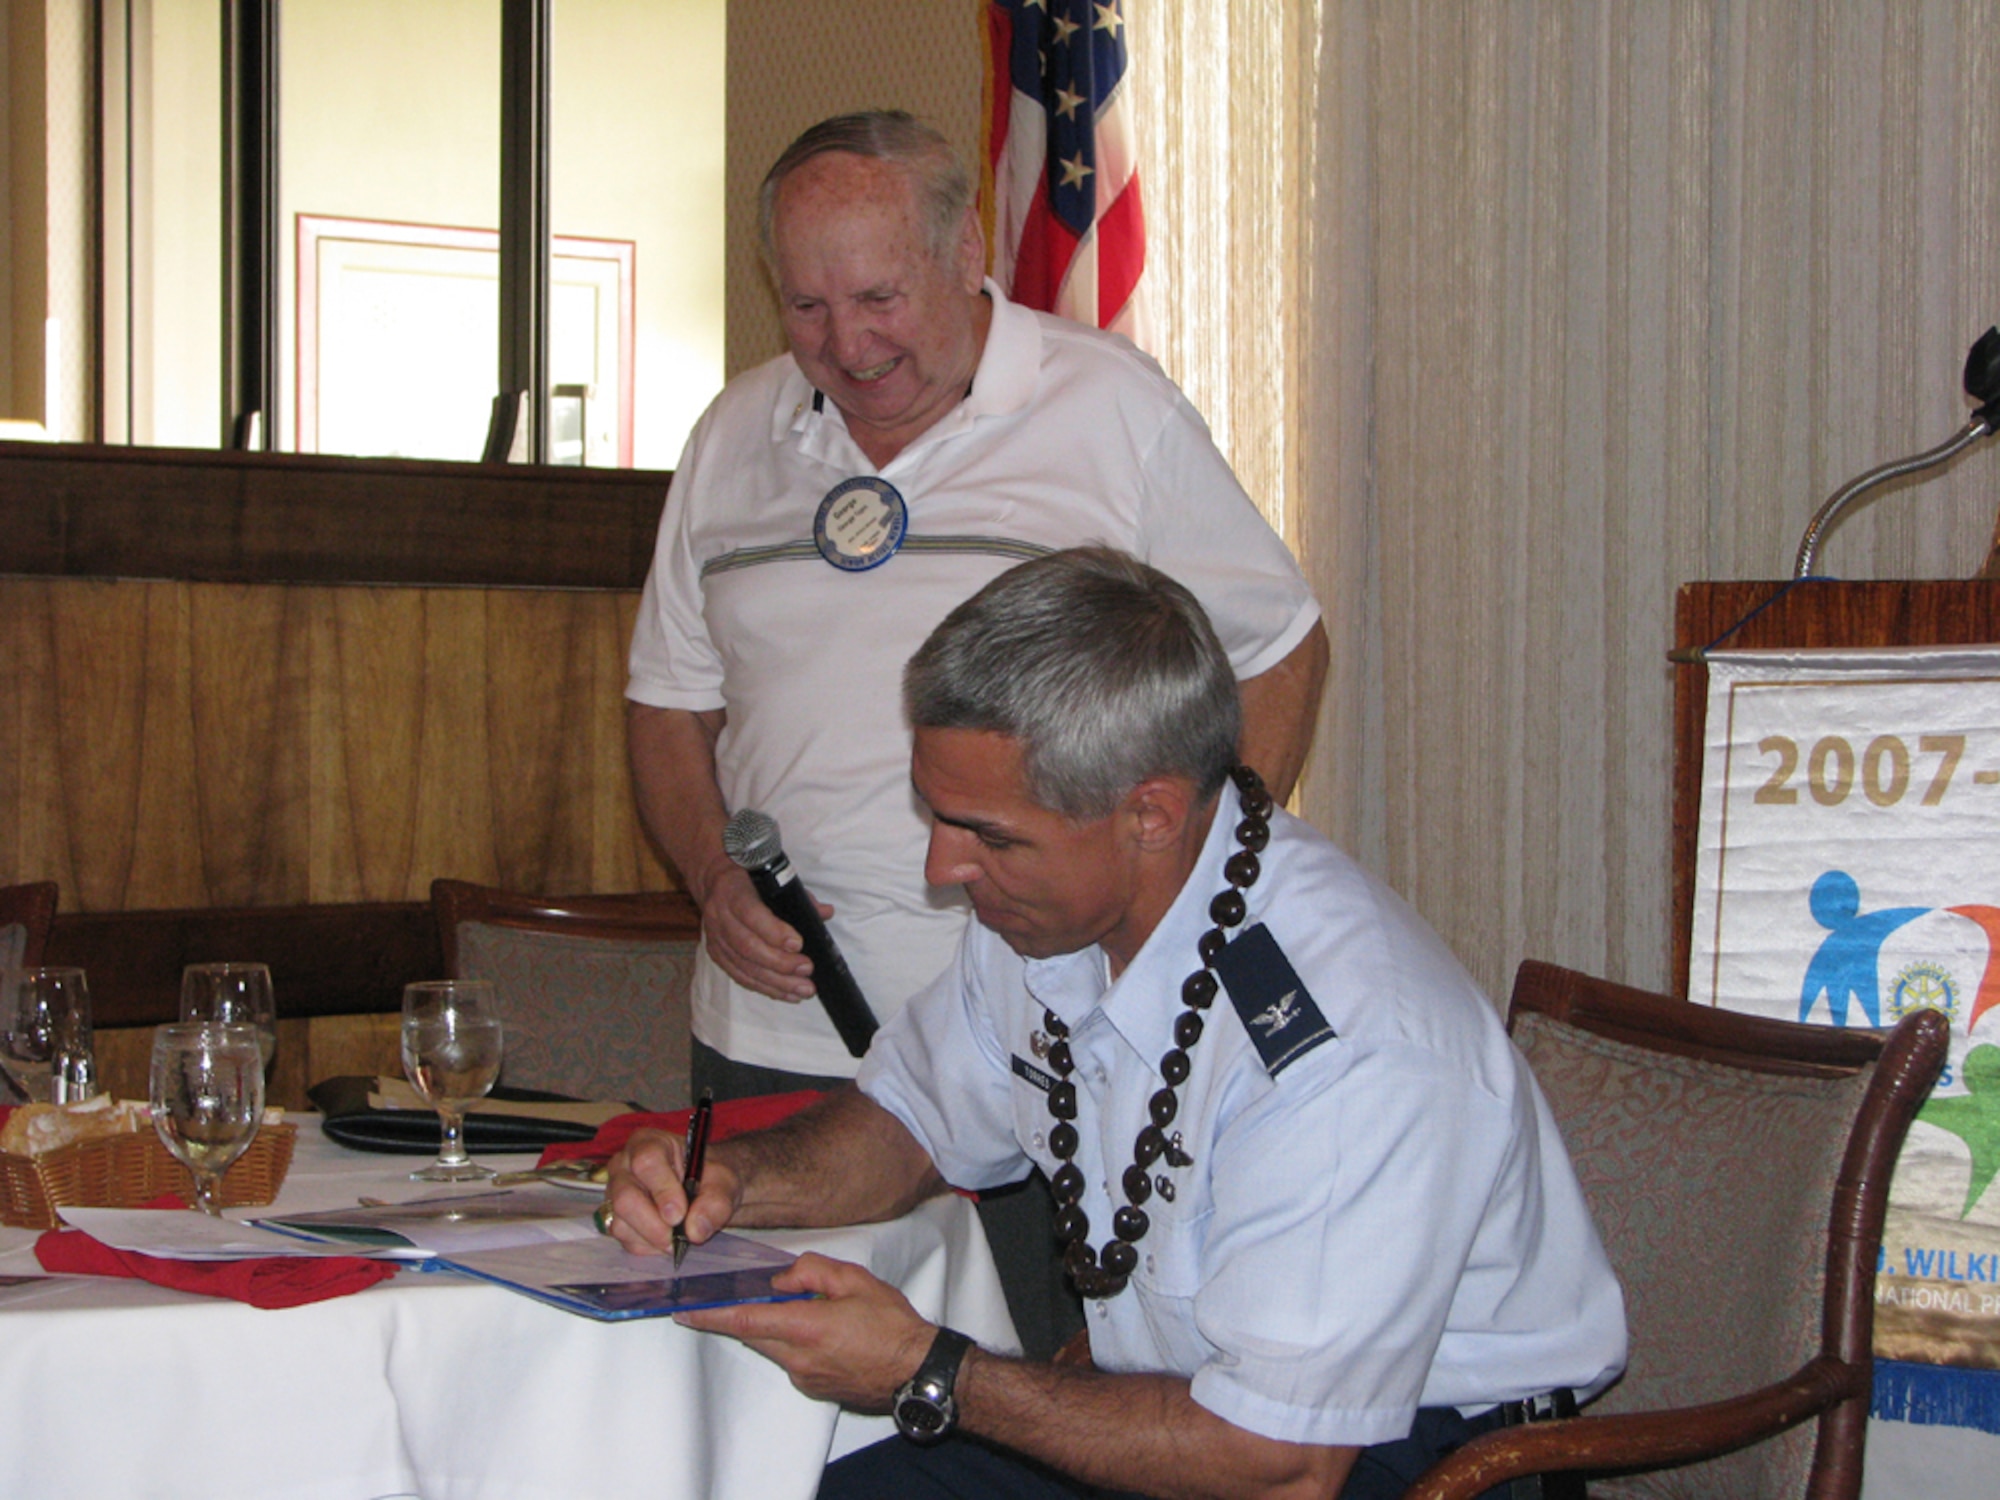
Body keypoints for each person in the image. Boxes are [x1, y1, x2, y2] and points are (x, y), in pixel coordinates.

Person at [604, 548, 1627, 1500]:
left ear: (1148, 814)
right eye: (935, 817)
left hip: (1412, 1456)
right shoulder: (1038, 918)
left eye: (986, 836)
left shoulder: (1352, 1045)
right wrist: (732, 1180)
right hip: (1191, 1413)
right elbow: (909, 1120)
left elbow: (1282, 1464)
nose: (941, 872)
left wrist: (931, 1369)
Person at [624, 110, 1328, 1103]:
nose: (847, 343)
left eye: (878, 296)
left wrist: (1180, 897)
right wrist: (709, 874)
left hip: (1042, 1032)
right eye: (807, 307)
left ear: (962, 252)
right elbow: (668, 702)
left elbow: (1278, 651)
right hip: (768, 1037)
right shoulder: (732, 432)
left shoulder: (1111, 409)